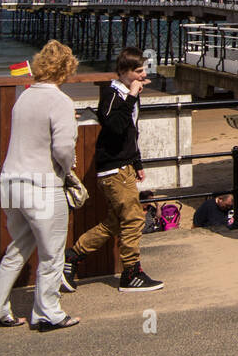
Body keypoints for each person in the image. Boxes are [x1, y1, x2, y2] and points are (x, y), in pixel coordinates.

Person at [0, 40, 81, 330]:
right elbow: (63, 149)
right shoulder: (60, 101)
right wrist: (67, 170)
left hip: (11, 181)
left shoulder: (24, 97)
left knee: (19, 246)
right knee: (52, 253)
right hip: (42, 185)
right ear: (66, 68)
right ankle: (48, 312)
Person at [63, 48, 164, 293]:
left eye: (143, 71)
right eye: (137, 71)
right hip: (113, 169)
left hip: (125, 166)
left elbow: (131, 132)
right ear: (123, 72)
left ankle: (71, 259)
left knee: (114, 223)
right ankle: (131, 273)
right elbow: (114, 127)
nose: (142, 76)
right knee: (133, 218)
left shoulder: (130, 94)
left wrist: (137, 163)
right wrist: (131, 96)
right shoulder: (112, 93)